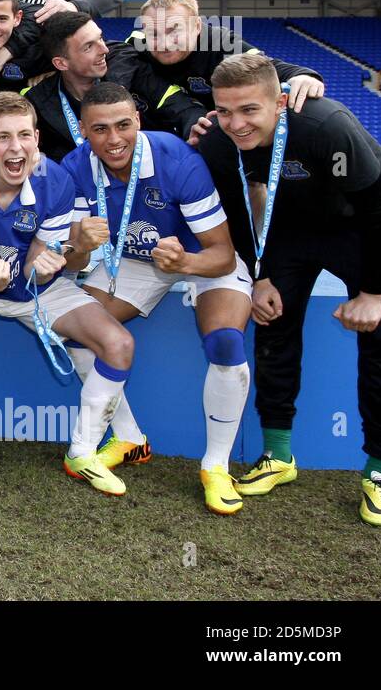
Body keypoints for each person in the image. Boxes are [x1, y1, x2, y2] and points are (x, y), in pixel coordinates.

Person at [197, 52, 381, 527]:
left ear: (279, 103)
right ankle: (277, 455)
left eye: (248, 111)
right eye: (224, 111)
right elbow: (239, 217)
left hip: (361, 227)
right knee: (274, 325)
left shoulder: (326, 126)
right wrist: (258, 276)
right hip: (289, 231)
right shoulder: (219, 142)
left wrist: (373, 294)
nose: (236, 124)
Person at [60, 83, 254, 515]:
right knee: (78, 328)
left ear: (139, 121)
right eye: (101, 129)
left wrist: (184, 263)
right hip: (132, 260)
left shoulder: (176, 159)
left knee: (225, 342)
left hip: (196, 257)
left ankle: (216, 466)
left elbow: (222, 256)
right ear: (83, 131)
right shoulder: (73, 167)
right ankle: (129, 439)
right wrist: (81, 247)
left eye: (124, 125)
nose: (114, 139)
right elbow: (72, 263)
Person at [0, 93, 138, 498]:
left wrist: (48, 264)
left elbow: (38, 268)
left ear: (37, 138)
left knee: (119, 344)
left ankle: (82, 452)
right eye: (3, 137)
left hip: (37, 288)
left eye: (24, 135)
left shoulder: (56, 182)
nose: (15, 147)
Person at [133, 0, 326, 132]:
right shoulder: (133, 47)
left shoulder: (220, 43)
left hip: (215, 129)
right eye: (153, 33)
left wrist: (301, 75)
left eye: (174, 31)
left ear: (197, 26)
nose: (165, 43)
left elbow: (263, 66)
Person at [24, 11, 203, 163]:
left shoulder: (133, 72)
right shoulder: (38, 102)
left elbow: (183, 108)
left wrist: (194, 126)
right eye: (88, 47)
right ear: (61, 63)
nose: (104, 50)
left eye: (100, 38)